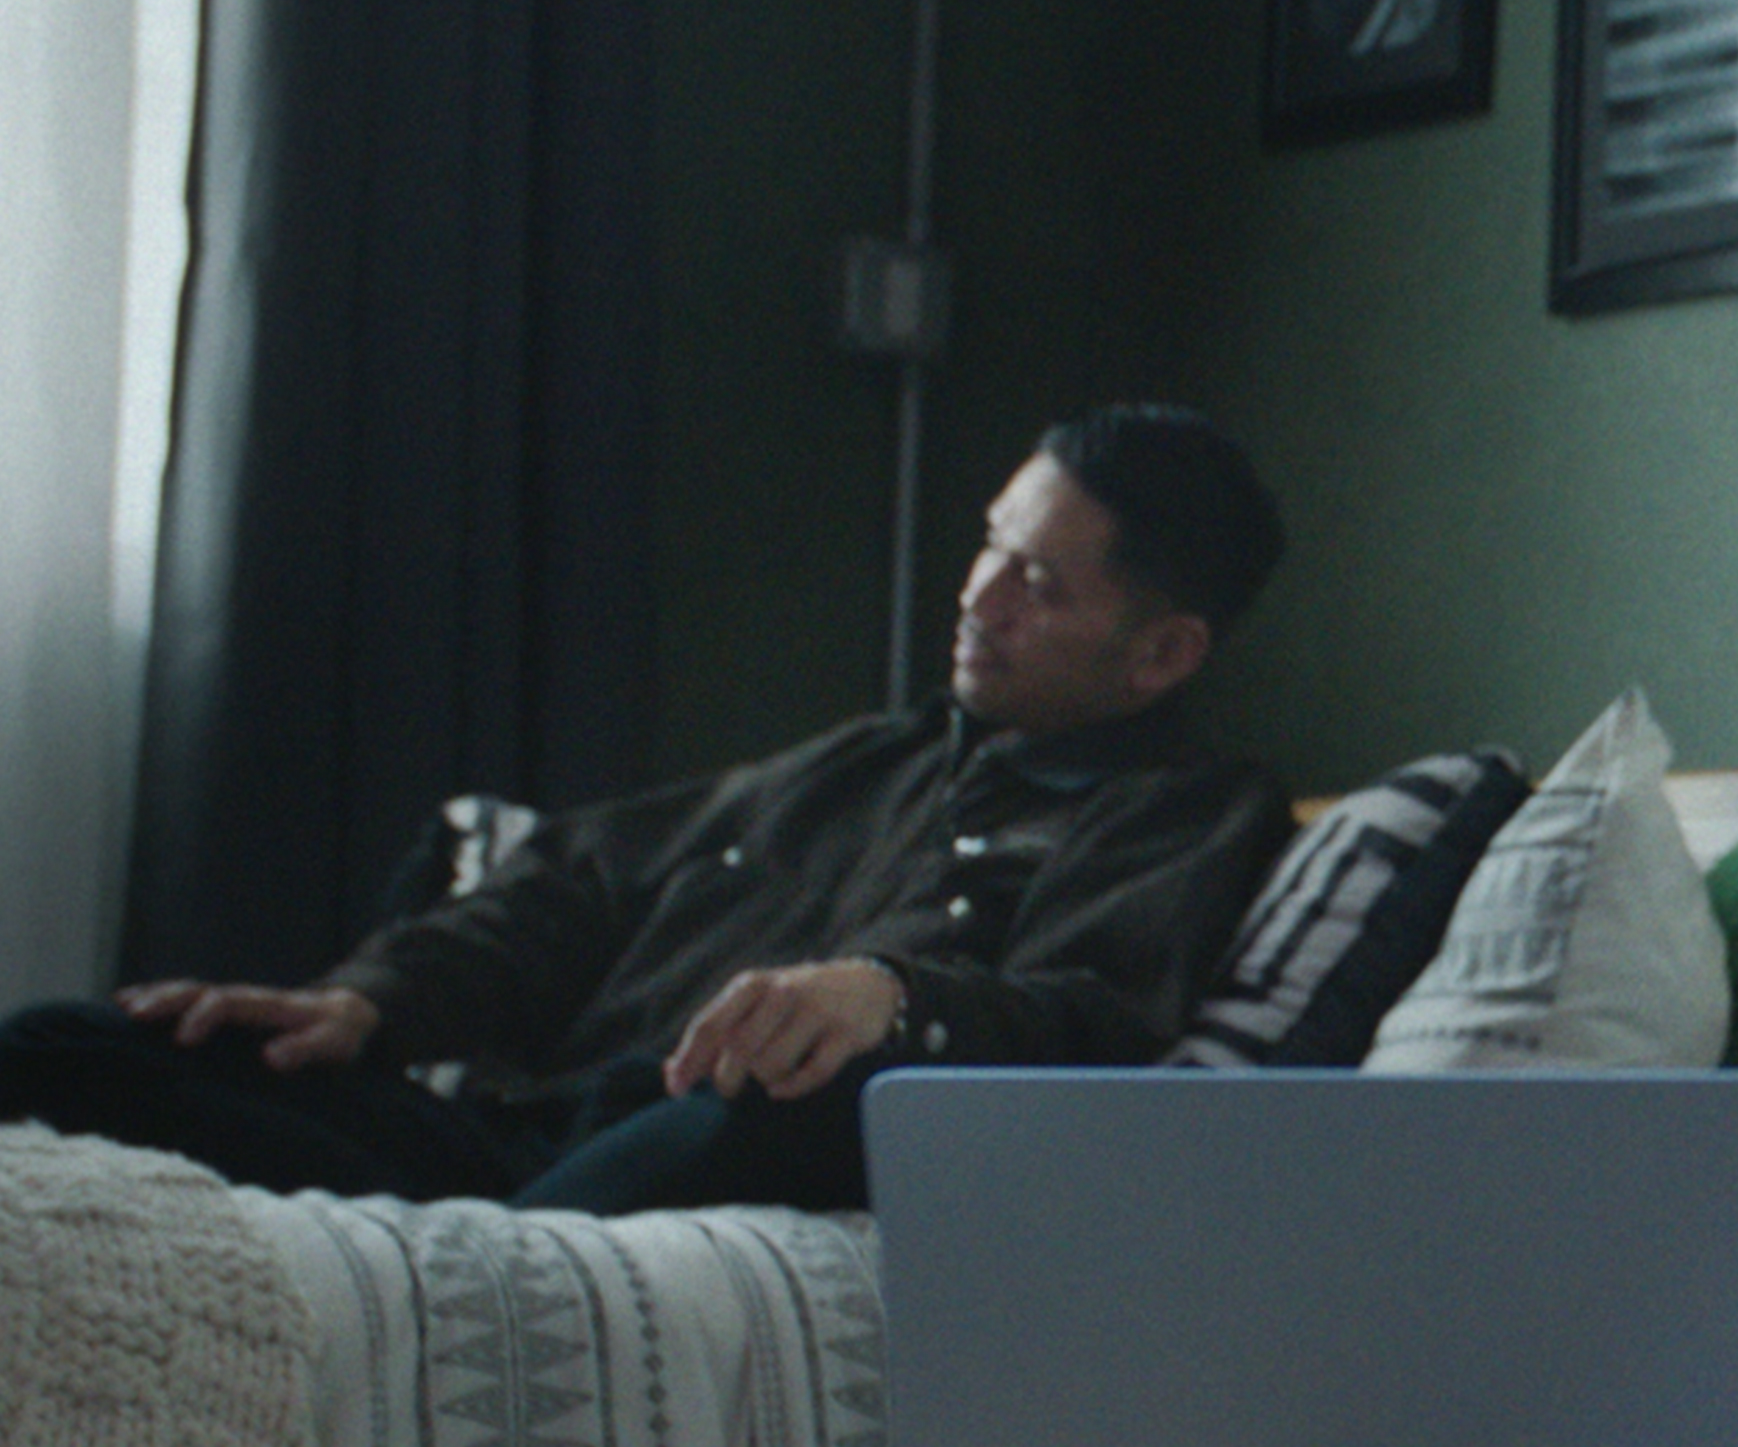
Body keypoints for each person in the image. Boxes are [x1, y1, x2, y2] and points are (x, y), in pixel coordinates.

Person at [0, 404, 1294, 1214]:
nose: (981, 599)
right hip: (505, 1135)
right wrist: (374, 1001)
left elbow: (1097, 1018)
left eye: (1040, 586)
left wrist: (888, 995)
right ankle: (449, 1243)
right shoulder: (869, 761)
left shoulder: (1178, 813)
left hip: (696, 1144)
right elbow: (579, 881)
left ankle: (468, 1285)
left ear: (1163, 655)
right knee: (74, 1046)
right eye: (990, 548)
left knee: (818, 1095)